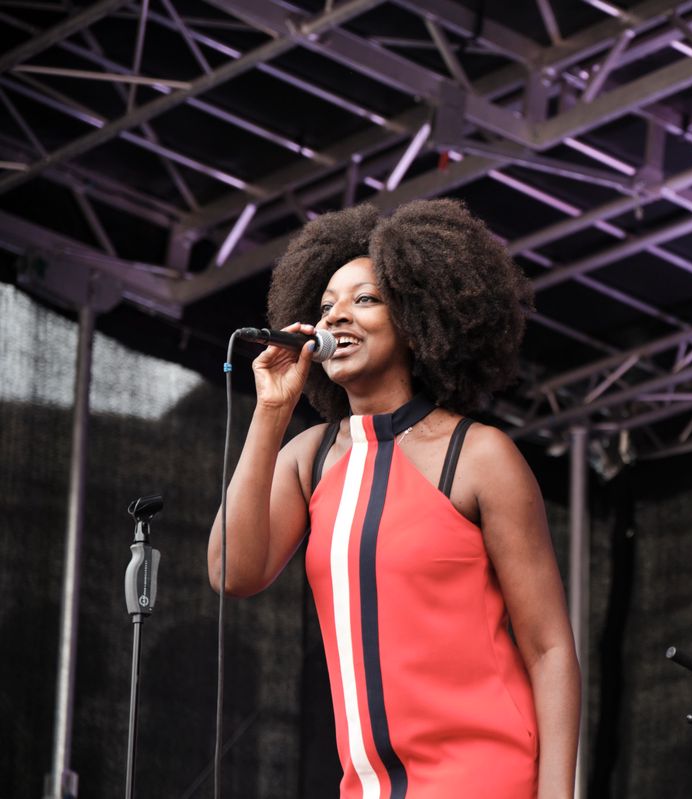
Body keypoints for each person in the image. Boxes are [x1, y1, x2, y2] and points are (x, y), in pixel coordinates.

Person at [207, 200, 580, 799]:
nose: (337, 318)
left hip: (484, 778)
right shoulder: (311, 456)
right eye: (326, 306)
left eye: (365, 299)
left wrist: (558, 795)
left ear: (416, 318)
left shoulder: (479, 456)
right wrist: (272, 410)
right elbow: (232, 571)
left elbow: (549, 647)